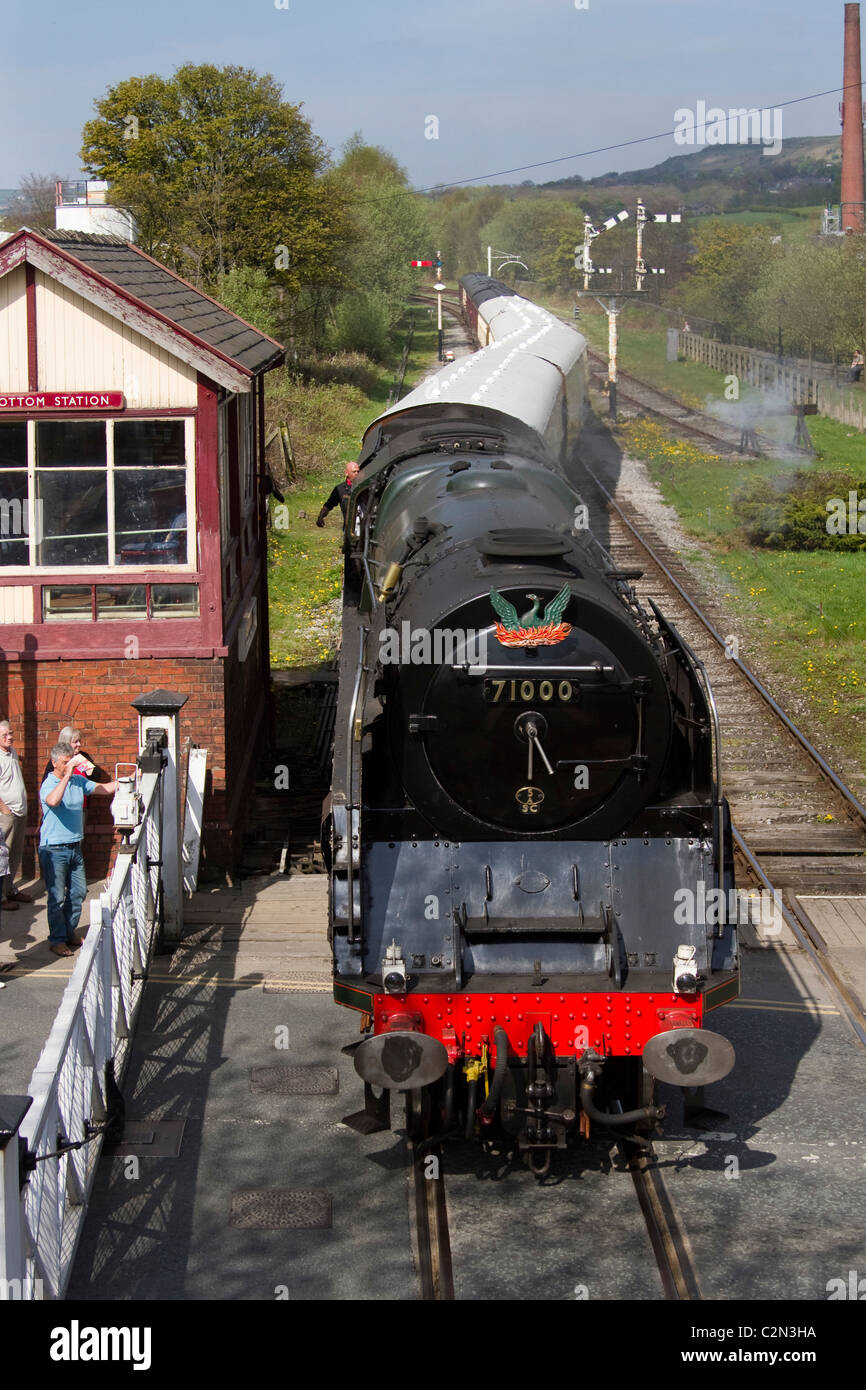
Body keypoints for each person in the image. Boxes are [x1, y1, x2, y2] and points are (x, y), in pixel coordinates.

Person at [39, 743, 116, 958]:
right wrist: (67, 776)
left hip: (74, 846)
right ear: (54, 763)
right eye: (65, 762)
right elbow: (53, 801)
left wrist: (131, 779)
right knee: (56, 898)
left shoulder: (77, 780)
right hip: (53, 849)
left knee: (79, 892)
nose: (69, 765)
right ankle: (57, 939)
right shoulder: (49, 783)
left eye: (71, 760)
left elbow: (104, 788)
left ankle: (67, 931)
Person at [0, 720, 31, 910]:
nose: (10, 737)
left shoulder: (11, 752)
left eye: (10, 733)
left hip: (20, 811)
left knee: (15, 854)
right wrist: (3, 807)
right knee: (3, 856)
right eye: (5, 735)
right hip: (6, 814)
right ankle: (2, 898)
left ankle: (10, 889)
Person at [316, 460, 360, 527]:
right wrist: (321, 516)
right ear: (346, 473)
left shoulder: (366, 486)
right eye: (354, 471)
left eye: (358, 471)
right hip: (349, 528)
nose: (356, 473)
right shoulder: (340, 489)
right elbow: (329, 504)